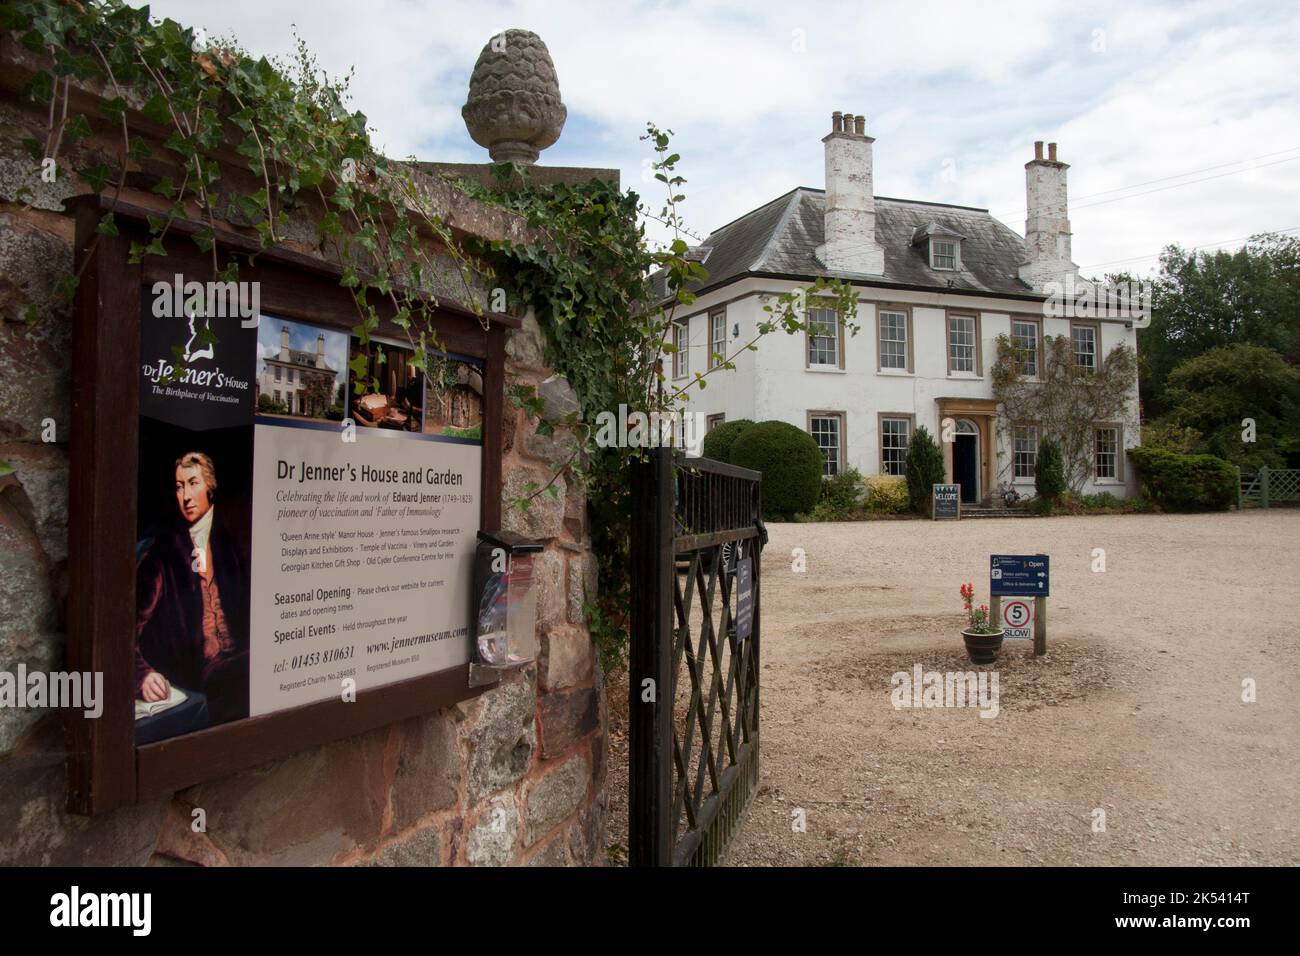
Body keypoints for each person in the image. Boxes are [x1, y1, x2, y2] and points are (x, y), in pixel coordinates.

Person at [135, 451, 250, 727]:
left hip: (241, 657)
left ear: (210, 486)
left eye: (193, 483)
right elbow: (123, 627)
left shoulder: (232, 538)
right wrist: (141, 675)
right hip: (200, 675)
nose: (185, 495)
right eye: (179, 486)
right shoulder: (162, 555)